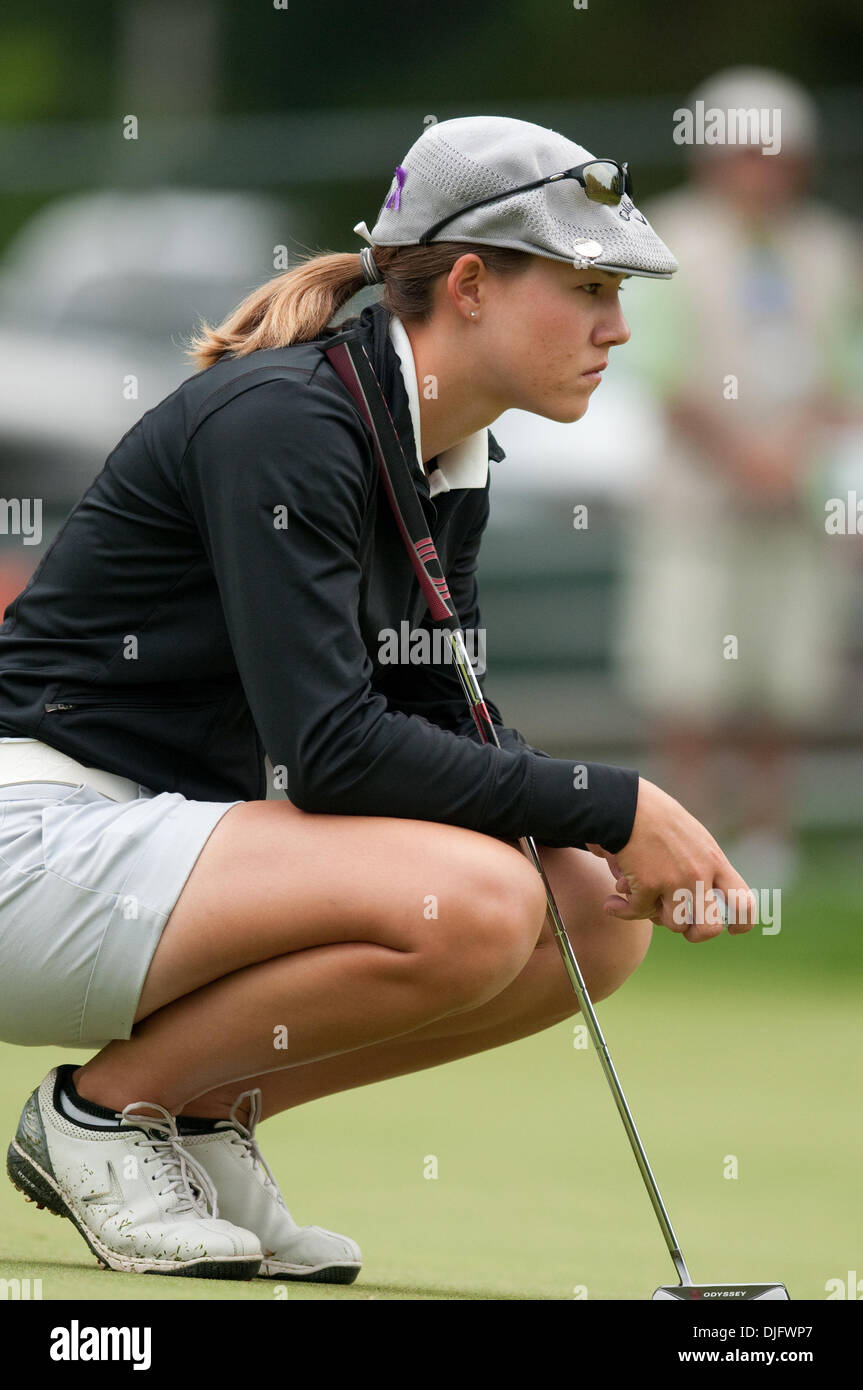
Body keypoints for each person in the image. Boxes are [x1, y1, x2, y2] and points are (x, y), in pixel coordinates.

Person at [0, 115, 755, 1284]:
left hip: (160, 858)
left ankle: (198, 1117)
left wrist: (597, 829)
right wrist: (611, 798)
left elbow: (443, 730)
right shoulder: (286, 422)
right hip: (35, 842)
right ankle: (105, 1113)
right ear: (467, 283)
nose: (616, 326)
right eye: (590, 285)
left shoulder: (443, 455)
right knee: (480, 899)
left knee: (587, 913)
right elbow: (333, 751)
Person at [614, 69, 863, 887]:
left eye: (778, 153)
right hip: (699, 503)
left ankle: (767, 848)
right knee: (687, 680)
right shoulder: (670, 241)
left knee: (784, 679)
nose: (764, 168)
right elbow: (656, 369)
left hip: (795, 501)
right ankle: (685, 843)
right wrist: (743, 455)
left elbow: (845, 370)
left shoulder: (827, 249)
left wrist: (790, 454)